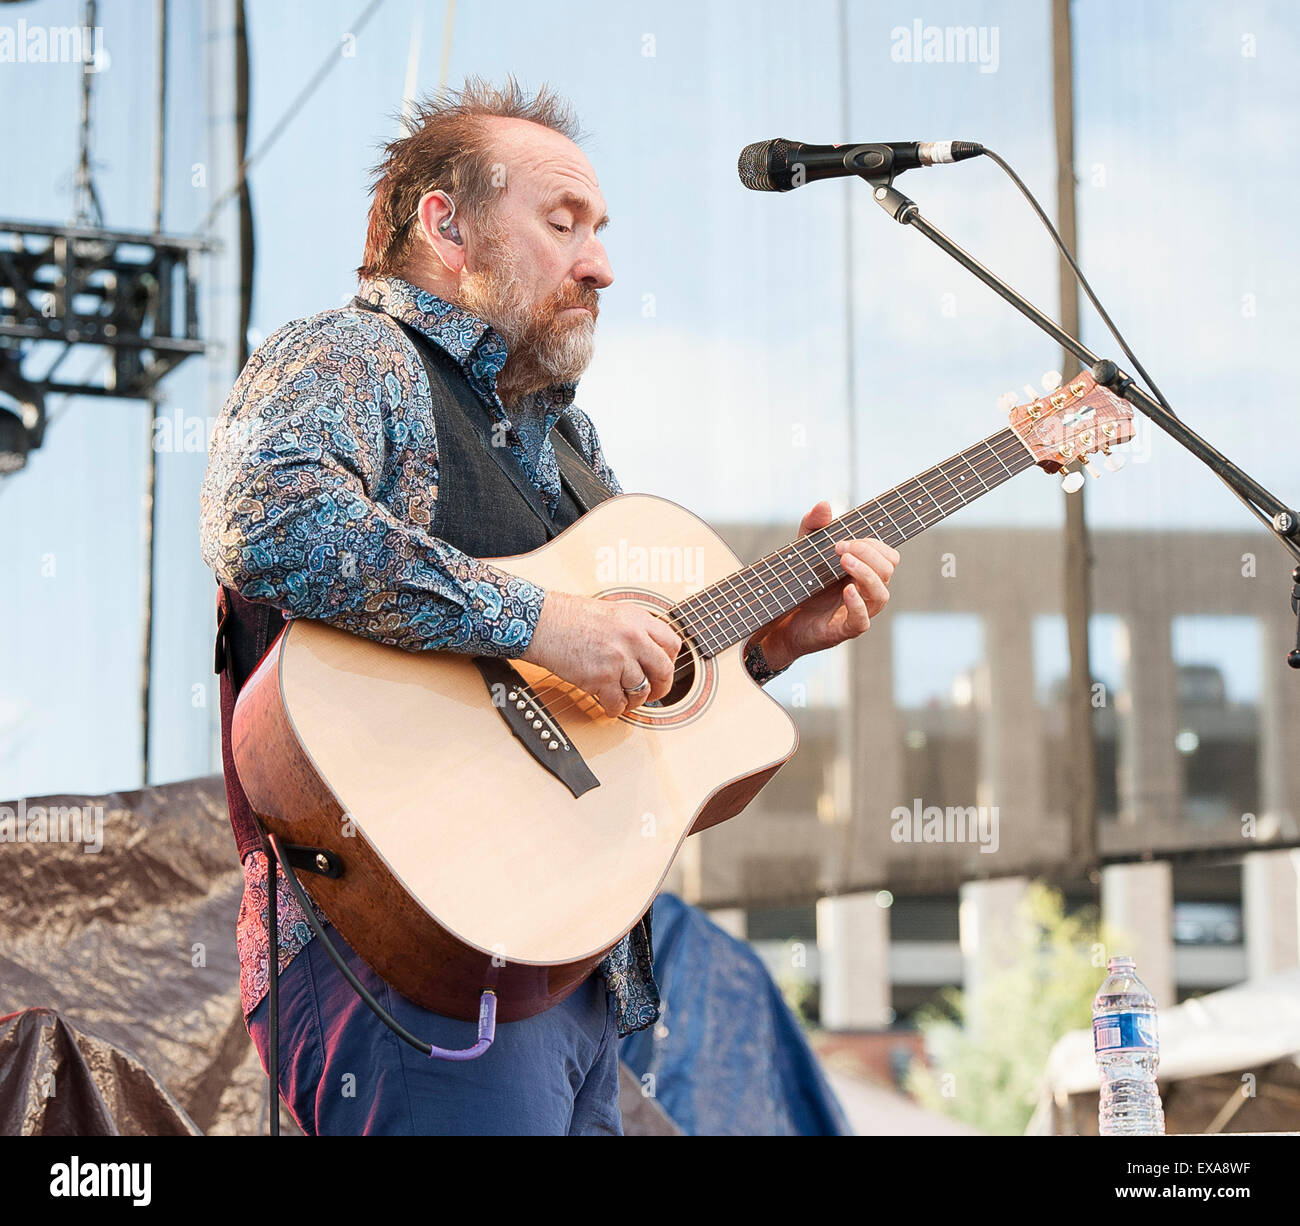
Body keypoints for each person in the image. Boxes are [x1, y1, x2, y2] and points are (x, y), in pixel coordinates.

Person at [198, 75, 900, 1136]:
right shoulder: (355, 355)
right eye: (562, 221)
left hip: (568, 976)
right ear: (447, 225)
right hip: (404, 954)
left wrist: (760, 649)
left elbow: (615, 708)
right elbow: (268, 516)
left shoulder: (576, 450)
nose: (601, 264)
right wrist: (545, 622)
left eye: (601, 230)